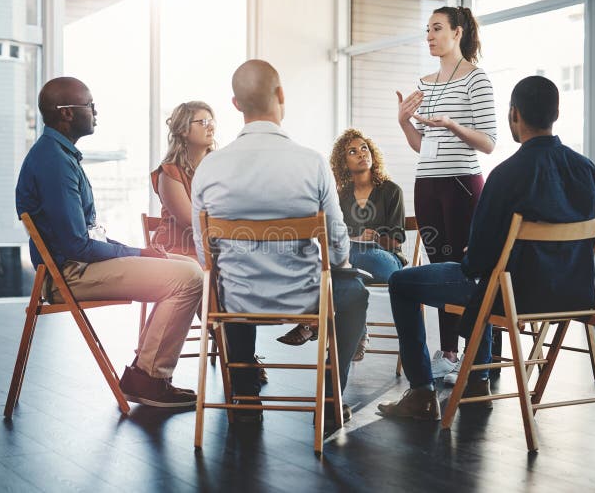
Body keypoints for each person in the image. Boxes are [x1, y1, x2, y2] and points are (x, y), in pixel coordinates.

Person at [378, 76, 595, 420]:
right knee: (488, 276)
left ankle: (422, 393)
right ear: (556, 113)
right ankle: (476, 382)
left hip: (514, 296)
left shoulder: (506, 175)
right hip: (575, 294)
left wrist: (474, 253)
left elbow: (478, 262)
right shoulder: (586, 169)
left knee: (405, 282)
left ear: (514, 114)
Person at [192, 59, 368, 424]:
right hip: (303, 298)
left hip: (235, 302)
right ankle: (331, 398)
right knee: (354, 291)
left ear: (236, 104)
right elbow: (338, 245)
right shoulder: (312, 163)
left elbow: (204, 252)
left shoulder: (209, 168)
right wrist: (340, 266)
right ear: (281, 95)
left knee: (227, 279)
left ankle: (244, 392)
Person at [16, 77, 203, 409]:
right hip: (70, 274)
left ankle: (145, 373)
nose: (95, 111)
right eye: (89, 105)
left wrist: (140, 253)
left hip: (77, 265)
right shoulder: (54, 163)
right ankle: (149, 378)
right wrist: (139, 251)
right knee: (188, 277)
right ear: (66, 113)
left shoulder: (58, 155)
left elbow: (86, 235)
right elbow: (77, 246)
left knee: (187, 265)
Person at [395, 5, 498, 384]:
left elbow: (488, 143)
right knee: (439, 269)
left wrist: (453, 125)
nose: (429, 36)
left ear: (457, 32)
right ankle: (449, 354)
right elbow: (421, 146)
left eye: (437, 28)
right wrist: (403, 122)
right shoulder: (424, 84)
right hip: (427, 185)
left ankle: (477, 356)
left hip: (462, 185)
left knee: (466, 270)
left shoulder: (476, 79)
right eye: (427, 30)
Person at [277, 128, 405, 363]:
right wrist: (355, 239)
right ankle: (359, 335)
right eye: (352, 151)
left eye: (364, 148)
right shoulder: (340, 196)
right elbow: (331, 233)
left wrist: (374, 239)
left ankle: (313, 320)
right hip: (351, 263)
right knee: (347, 272)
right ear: (343, 163)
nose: (361, 153)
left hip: (386, 261)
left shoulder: (391, 191)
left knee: (338, 260)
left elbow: (395, 241)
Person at [150, 101, 216, 259]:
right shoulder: (169, 173)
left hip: (211, 250)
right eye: (203, 122)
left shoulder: (219, 167)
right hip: (177, 252)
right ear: (184, 130)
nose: (211, 127)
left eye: (211, 121)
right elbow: (192, 222)